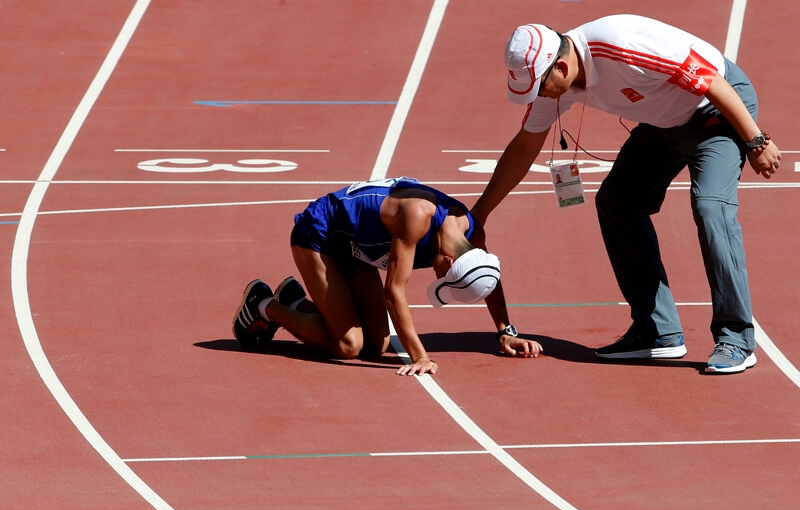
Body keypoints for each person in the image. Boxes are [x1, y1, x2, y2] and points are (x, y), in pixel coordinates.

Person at [471, 15, 782, 375]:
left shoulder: (619, 44)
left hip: (717, 113)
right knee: (618, 202)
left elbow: (712, 82)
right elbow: (524, 148)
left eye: (539, 87)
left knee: (711, 207)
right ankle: (657, 332)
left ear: (559, 66)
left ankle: (736, 338)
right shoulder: (556, 80)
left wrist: (756, 140)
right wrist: (479, 214)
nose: (540, 96)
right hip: (666, 126)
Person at [233, 177, 543, 375]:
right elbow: (393, 291)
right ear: (448, 262)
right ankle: (263, 305)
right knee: (348, 346)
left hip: (355, 249)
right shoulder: (417, 217)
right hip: (321, 235)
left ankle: (296, 302)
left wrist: (507, 329)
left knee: (376, 346)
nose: (437, 277)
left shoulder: (470, 230)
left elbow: (488, 273)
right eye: (443, 278)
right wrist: (419, 356)